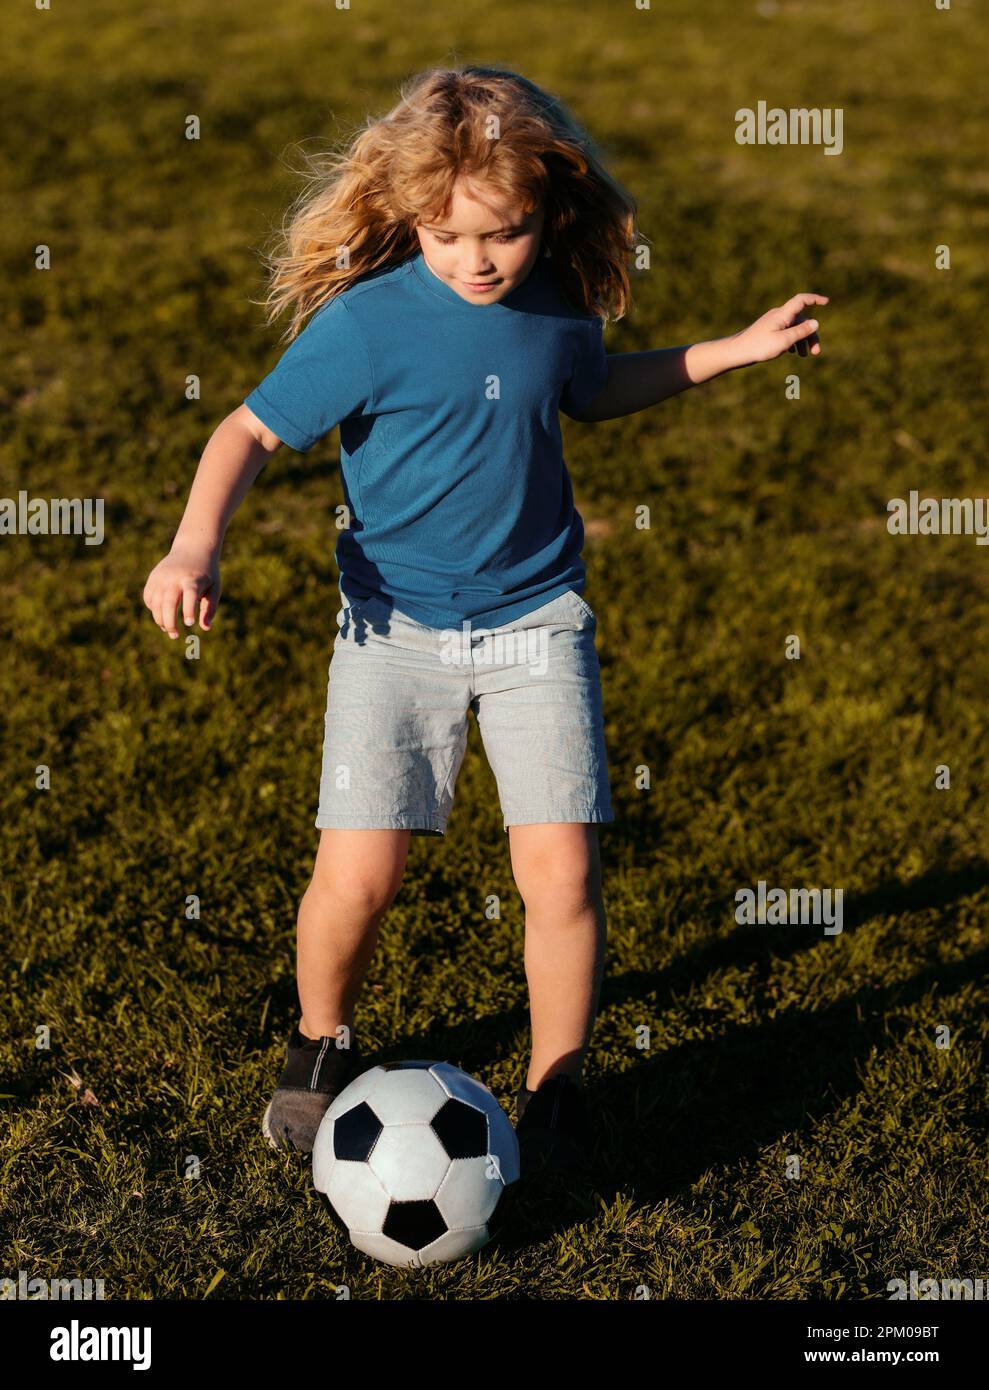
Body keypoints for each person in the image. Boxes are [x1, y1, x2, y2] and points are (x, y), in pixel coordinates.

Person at [142, 64, 827, 1177]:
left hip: (537, 622)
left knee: (560, 874)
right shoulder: (366, 326)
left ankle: (555, 1089)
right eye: (448, 237)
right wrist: (193, 543)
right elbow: (248, 434)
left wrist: (729, 352)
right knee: (358, 875)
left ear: (545, 211)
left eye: (501, 234)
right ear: (409, 216)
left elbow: (592, 391)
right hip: (392, 633)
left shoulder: (554, 301)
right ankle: (321, 1042)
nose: (476, 261)